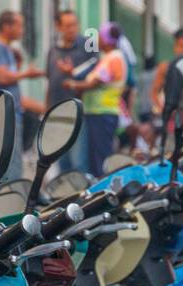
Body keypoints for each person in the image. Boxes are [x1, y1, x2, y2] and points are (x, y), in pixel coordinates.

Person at [0, 10, 45, 181]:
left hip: (12, 115)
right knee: (9, 167)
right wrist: (27, 74)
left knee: (14, 165)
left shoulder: (7, 50)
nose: (22, 30)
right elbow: (1, 77)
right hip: (4, 117)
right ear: (6, 26)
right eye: (19, 25)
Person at [63, 21, 127, 176]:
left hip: (102, 113)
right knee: (97, 156)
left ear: (106, 39)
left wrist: (73, 85)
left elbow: (95, 82)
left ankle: (103, 190)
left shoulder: (113, 58)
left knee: (101, 158)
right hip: (98, 113)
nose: (96, 39)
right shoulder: (109, 58)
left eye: (99, 35)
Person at [45, 7, 93, 172]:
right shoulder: (53, 51)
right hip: (57, 116)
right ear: (58, 27)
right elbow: (50, 83)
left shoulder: (87, 47)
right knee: (62, 163)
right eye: (68, 25)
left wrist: (72, 75)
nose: (72, 29)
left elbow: (96, 78)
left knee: (78, 162)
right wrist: (46, 113)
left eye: (74, 24)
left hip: (78, 114)